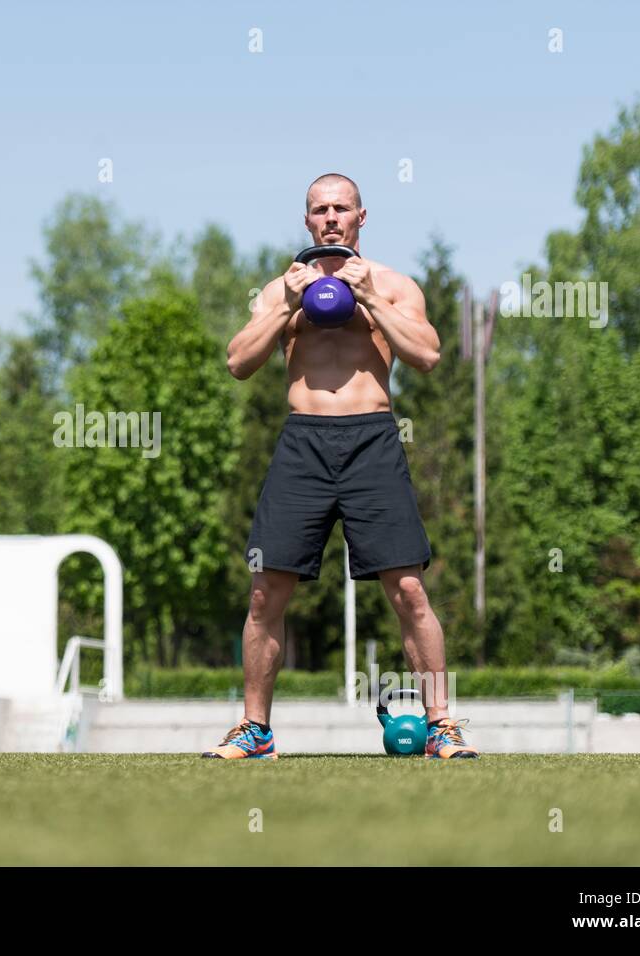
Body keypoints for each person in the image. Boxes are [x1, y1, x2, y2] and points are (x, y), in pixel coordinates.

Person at [203, 173, 479, 760]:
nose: (331, 218)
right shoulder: (280, 288)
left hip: (372, 440)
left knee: (407, 589)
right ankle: (255, 730)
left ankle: (442, 727)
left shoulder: (395, 285)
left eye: (341, 209)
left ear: (361, 216)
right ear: (306, 221)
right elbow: (238, 362)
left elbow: (428, 356)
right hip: (303, 442)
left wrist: (371, 297)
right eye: (320, 210)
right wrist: (288, 305)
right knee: (264, 593)